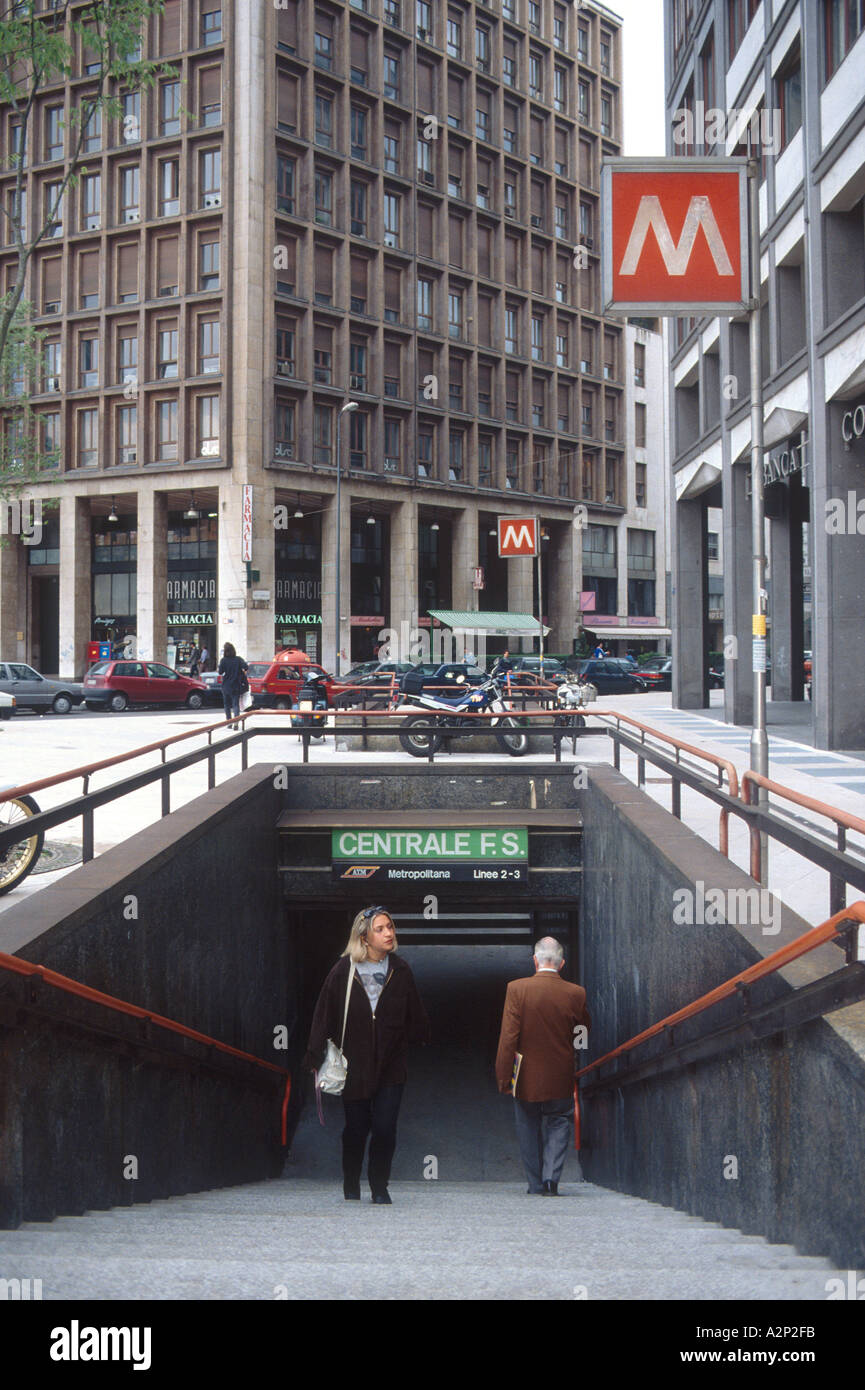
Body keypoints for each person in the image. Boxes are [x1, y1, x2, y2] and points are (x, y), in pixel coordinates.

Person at [302, 906, 430, 1204]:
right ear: (364, 937)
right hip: (354, 1065)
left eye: (390, 927)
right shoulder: (343, 971)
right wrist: (313, 1055)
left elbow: (416, 1013)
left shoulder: (401, 970)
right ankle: (350, 1179)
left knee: (385, 1127)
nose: (389, 933)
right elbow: (324, 1015)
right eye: (381, 929)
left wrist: (421, 1036)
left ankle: (379, 1185)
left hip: (391, 1066)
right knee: (357, 1128)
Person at [495, 936, 591, 1196]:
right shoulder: (576, 993)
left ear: (535, 961)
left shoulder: (516, 989)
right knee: (559, 1121)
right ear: (561, 965)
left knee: (527, 1125)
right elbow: (583, 1030)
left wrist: (504, 1077)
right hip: (561, 1073)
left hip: (524, 1075)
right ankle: (551, 1179)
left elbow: (508, 1038)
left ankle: (535, 1183)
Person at [217, 642, 248, 726]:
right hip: (236, 685)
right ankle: (236, 722)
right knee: (235, 704)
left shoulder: (223, 660)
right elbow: (246, 667)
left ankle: (229, 722)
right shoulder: (238, 659)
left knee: (227, 705)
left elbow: (220, 672)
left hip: (226, 685)